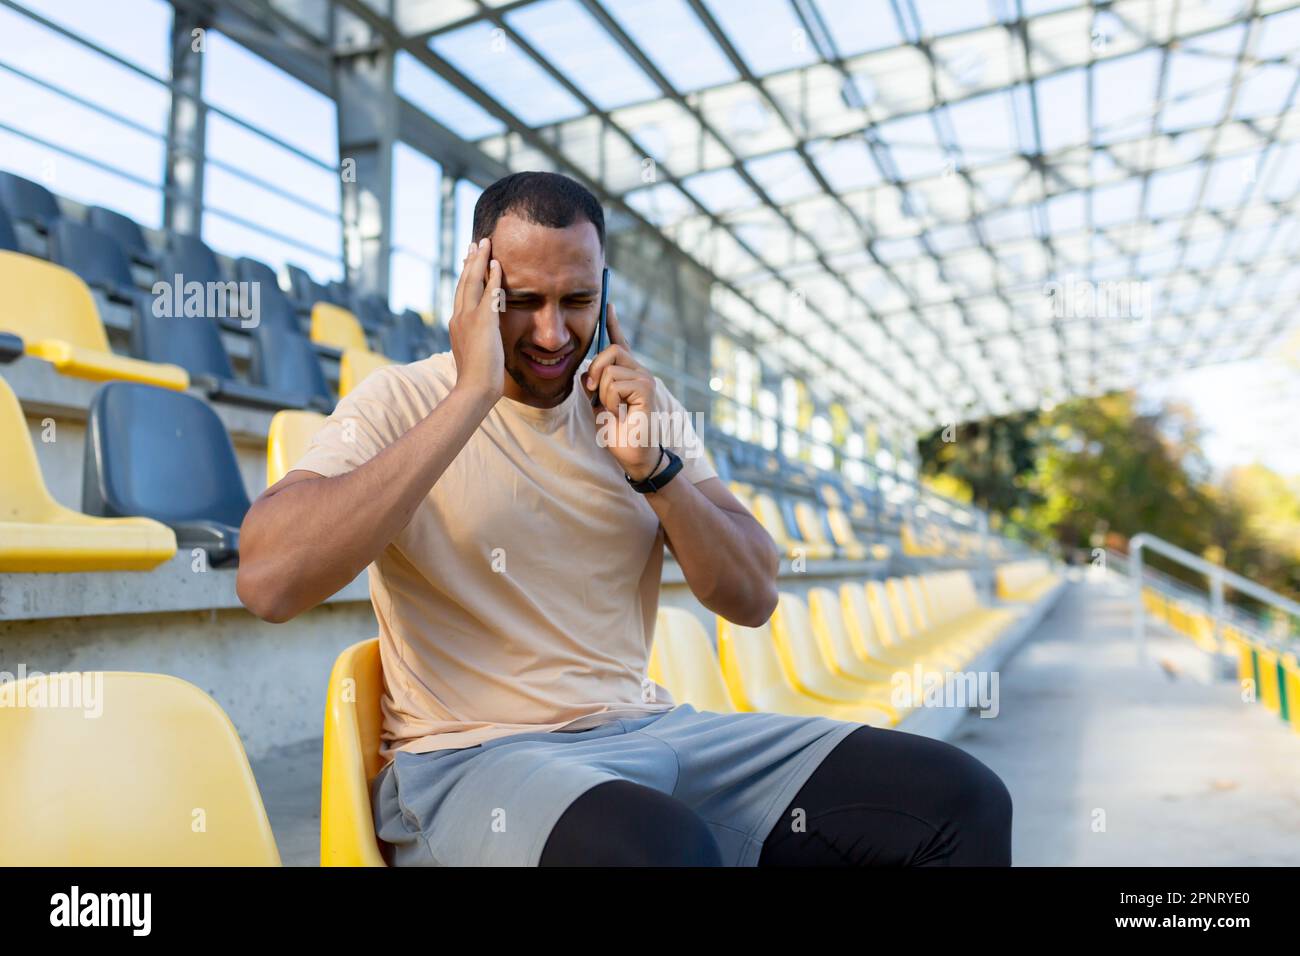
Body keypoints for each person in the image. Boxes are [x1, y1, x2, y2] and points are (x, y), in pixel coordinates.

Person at [237, 171, 1012, 866]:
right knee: (656, 849)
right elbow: (270, 582)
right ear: (476, 288)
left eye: (576, 301)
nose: (551, 335)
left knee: (959, 802)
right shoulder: (403, 401)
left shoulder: (640, 407)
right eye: (521, 303)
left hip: (652, 734)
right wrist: (473, 394)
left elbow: (752, 597)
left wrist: (655, 471)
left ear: (604, 291)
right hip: (475, 762)